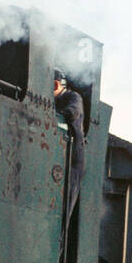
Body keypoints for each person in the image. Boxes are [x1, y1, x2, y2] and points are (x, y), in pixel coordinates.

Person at [53, 72, 85, 231]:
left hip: (73, 157)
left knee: (66, 203)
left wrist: (53, 114)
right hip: (61, 152)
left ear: (57, 85)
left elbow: (73, 112)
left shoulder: (74, 98)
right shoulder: (57, 99)